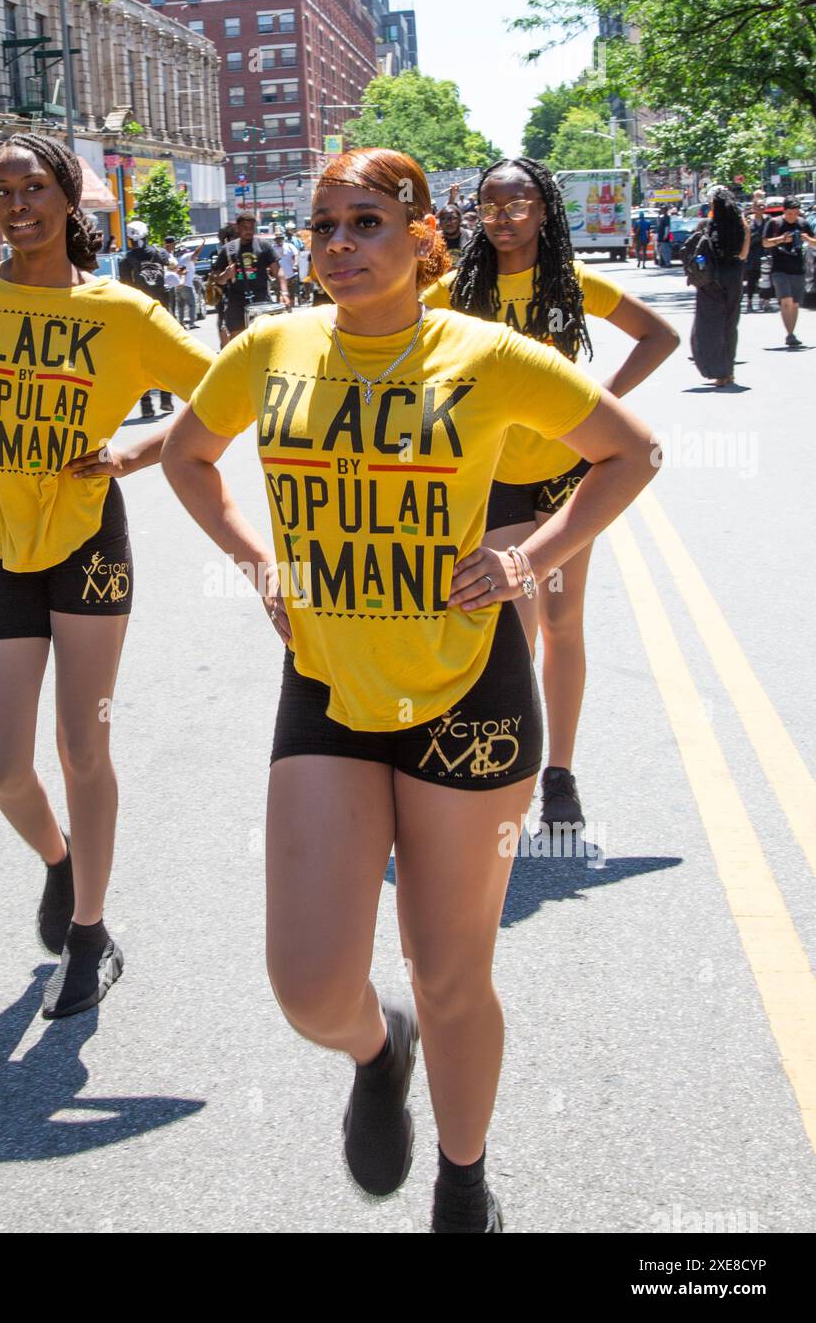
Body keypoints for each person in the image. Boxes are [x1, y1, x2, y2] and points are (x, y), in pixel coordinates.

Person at [162, 147, 659, 1233]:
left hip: (469, 691)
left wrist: (528, 556)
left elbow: (629, 454)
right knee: (306, 985)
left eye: (365, 224)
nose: (338, 245)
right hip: (326, 686)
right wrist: (258, 564)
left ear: (421, 234)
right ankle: (377, 1050)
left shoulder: (484, 355)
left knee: (450, 971)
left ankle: (463, 1178)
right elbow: (188, 455)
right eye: (322, 225)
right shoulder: (268, 348)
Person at [0, 132, 212, 1019]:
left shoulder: (123, 313)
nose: (15, 204)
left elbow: (227, 394)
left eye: (32, 187)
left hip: (89, 540)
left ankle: (92, 934)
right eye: (0, 190)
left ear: (69, 197)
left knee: (81, 747)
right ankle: (61, 863)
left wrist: (136, 450)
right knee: (2, 767)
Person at [422, 157, 678, 834]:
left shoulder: (573, 283)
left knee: (563, 622)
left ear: (544, 210)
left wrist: (600, 406)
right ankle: (511, 766)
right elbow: (390, 353)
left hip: (567, 475)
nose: (503, 217)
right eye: (489, 205)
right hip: (494, 476)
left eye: (518, 203)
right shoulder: (452, 292)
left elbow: (663, 335)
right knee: (514, 626)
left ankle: (560, 776)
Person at [689, 187, 750, 387]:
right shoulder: (741, 225)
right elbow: (743, 253)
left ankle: (717, 370)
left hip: (712, 277)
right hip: (734, 274)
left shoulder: (708, 225)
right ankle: (729, 371)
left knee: (709, 325)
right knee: (730, 324)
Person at [119, 220, 176, 416]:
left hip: (139, 314)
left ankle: (146, 406)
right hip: (162, 312)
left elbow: (125, 288)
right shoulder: (159, 252)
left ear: (130, 239)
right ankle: (167, 399)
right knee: (166, 358)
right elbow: (174, 264)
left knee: (141, 362)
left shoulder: (126, 260)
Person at [210, 210, 280, 343]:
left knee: (263, 339)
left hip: (260, 298)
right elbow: (216, 279)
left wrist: (284, 290)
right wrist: (226, 275)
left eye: (251, 228)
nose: (249, 231)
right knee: (237, 341)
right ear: (237, 228)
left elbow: (277, 270)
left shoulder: (263, 245)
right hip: (236, 300)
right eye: (245, 228)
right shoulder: (228, 249)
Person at [763, 196, 816, 348]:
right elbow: (765, 242)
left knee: (795, 303)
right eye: (790, 213)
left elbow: (814, 243)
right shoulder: (774, 223)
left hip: (798, 268)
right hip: (779, 268)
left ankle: (791, 332)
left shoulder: (803, 223)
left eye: (795, 213)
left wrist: (806, 239)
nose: (793, 216)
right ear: (784, 211)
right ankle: (790, 334)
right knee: (786, 301)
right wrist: (781, 239)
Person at [744, 191, 769, 313]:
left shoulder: (768, 220)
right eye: (759, 206)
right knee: (751, 280)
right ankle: (749, 302)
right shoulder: (749, 220)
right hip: (752, 255)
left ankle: (765, 301)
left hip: (765, 255)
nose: (761, 208)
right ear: (753, 208)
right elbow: (746, 237)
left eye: (763, 205)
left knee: (766, 280)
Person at [436, 203, 470, 269]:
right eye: (443, 219)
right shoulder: (434, 241)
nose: (448, 223)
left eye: (452, 218)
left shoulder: (471, 238)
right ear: (440, 223)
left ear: (460, 220)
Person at [173, 245, 198, 328]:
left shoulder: (176, 260)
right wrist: (202, 243)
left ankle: (181, 323)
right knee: (192, 305)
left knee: (180, 306)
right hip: (187, 285)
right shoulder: (186, 257)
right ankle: (191, 323)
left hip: (177, 285)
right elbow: (195, 254)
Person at [273, 230, 298, 307]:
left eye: (280, 238)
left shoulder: (289, 246)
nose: (279, 240)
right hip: (278, 275)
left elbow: (296, 255)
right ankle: (279, 308)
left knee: (291, 293)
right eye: (277, 239)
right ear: (275, 240)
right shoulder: (272, 248)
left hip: (290, 274)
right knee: (278, 293)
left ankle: (292, 309)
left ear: (283, 238)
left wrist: (295, 264)